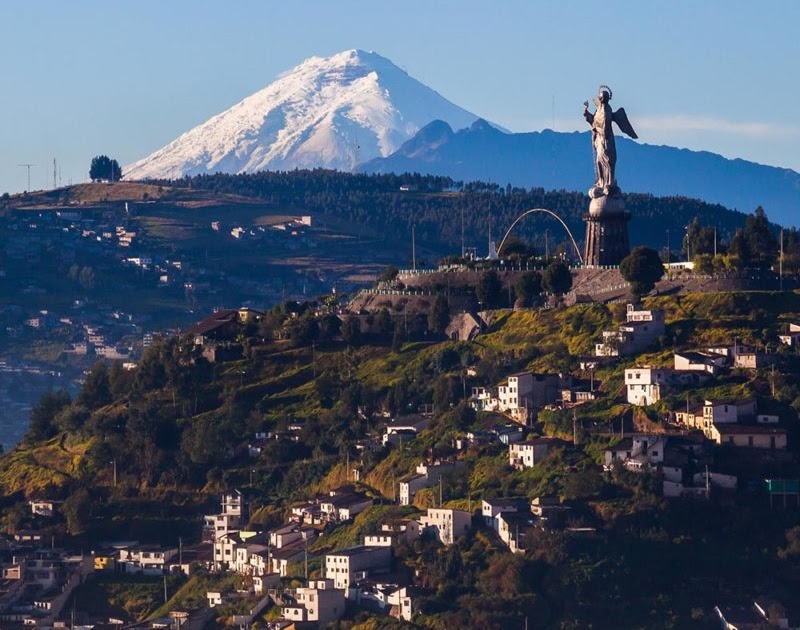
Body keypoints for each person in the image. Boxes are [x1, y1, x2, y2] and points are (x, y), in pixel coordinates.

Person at [583, 85, 637, 197]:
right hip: (600, 141)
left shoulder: (607, 111)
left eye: (601, 97)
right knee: (599, 161)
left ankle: (609, 183)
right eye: (600, 97)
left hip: (606, 140)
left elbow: (604, 127)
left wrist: (597, 129)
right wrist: (587, 113)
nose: (600, 99)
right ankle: (601, 183)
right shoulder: (598, 110)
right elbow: (594, 121)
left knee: (608, 161)